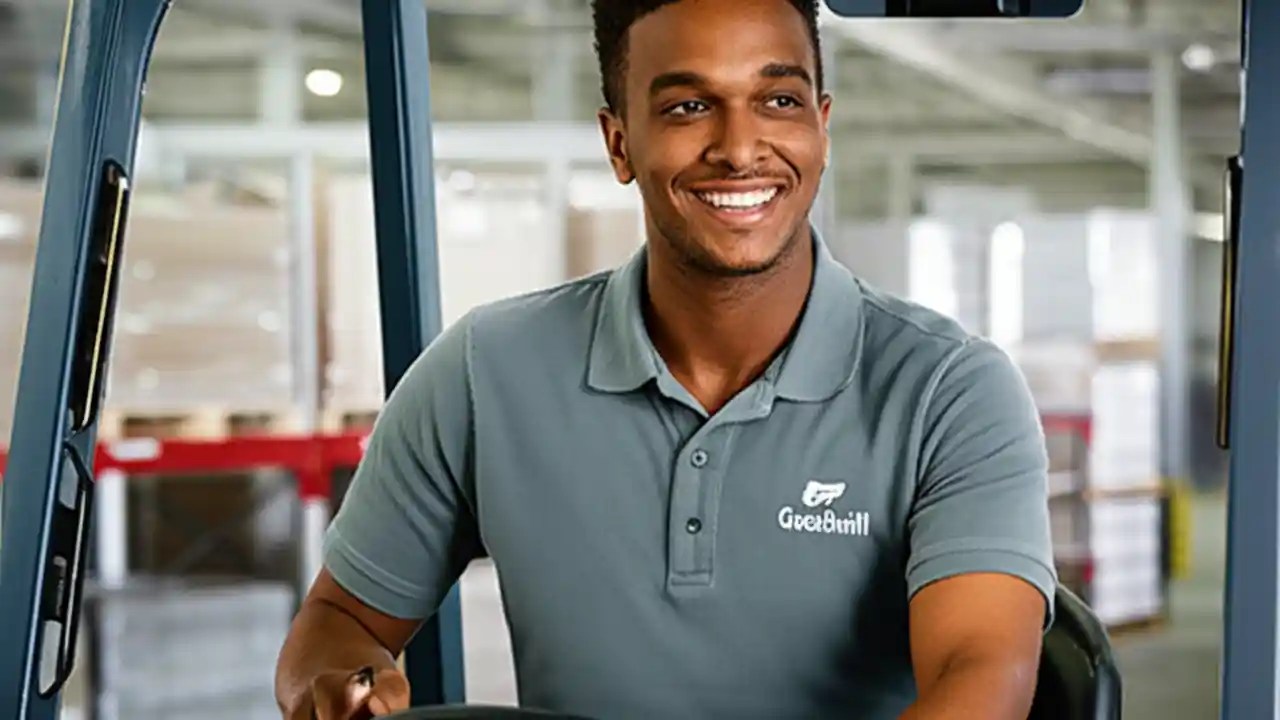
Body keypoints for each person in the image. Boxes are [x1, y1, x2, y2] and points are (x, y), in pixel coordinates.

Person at [274, 0, 1057, 717]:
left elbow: (979, 676)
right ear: (620, 143)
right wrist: (346, 687)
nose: (741, 147)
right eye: (688, 107)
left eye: (778, 101)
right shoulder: (484, 373)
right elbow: (340, 620)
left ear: (822, 128)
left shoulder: (950, 392)